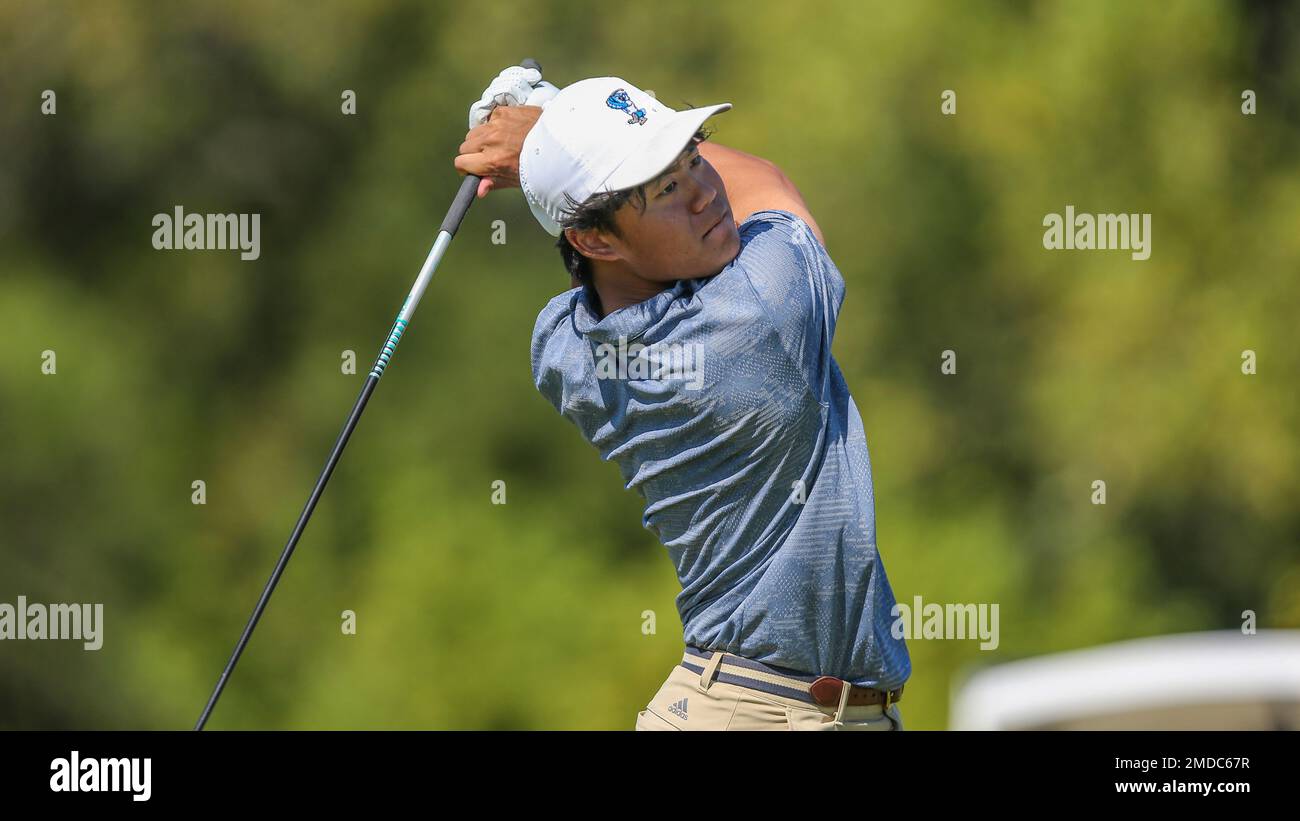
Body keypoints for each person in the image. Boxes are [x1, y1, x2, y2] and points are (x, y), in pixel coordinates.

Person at [455, 67, 910, 730]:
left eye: (695, 158)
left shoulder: (562, 347)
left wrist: (557, 155)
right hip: (765, 713)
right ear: (594, 238)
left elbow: (601, 272)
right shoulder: (759, 316)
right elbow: (769, 183)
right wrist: (543, 134)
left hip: (739, 704)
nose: (706, 194)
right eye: (666, 186)